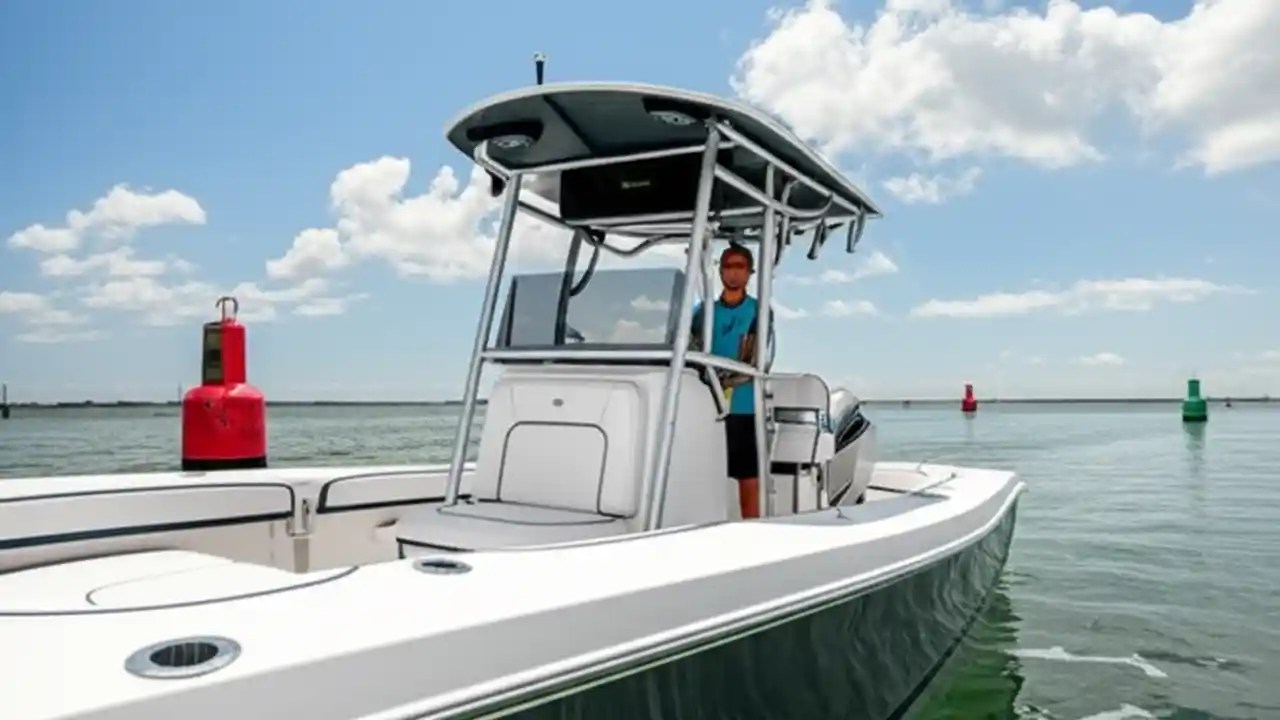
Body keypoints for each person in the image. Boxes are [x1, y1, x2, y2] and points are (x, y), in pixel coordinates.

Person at [691, 243, 770, 519]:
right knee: (704, 472)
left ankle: (753, 531)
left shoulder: (759, 311)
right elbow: (691, 350)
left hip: (744, 407)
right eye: (727, 266)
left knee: (747, 476)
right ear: (719, 270)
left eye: (739, 266)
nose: (733, 273)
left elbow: (755, 361)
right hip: (706, 407)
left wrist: (717, 379)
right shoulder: (702, 312)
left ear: (749, 272)